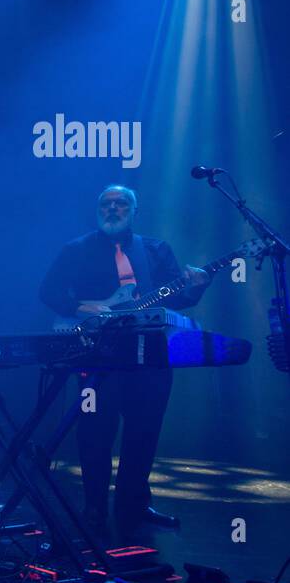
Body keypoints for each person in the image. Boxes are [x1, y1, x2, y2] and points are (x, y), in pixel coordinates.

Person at [39, 185, 211, 535]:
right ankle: (94, 507)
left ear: (134, 210)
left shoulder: (156, 250)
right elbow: (48, 291)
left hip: (150, 357)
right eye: (106, 203)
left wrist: (196, 286)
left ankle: (134, 503)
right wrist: (82, 307)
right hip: (98, 357)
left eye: (121, 204)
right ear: (97, 209)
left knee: (144, 434)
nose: (113, 209)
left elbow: (174, 300)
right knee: (95, 435)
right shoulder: (76, 249)